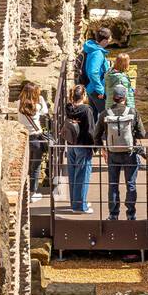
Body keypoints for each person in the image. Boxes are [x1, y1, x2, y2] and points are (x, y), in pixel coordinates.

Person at [93, 87, 147, 221]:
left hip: (112, 153)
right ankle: (131, 214)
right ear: (125, 98)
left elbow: (96, 135)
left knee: (113, 184)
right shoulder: (133, 112)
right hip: (130, 153)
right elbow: (142, 134)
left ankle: (113, 214)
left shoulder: (105, 114)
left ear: (113, 98)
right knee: (131, 184)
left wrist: (103, 149)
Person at [18, 81, 52, 201]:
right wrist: (41, 98)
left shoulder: (18, 104)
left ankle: (24, 192)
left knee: (25, 166)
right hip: (36, 139)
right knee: (36, 167)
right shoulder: (37, 106)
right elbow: (45, 112)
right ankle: (32, 193)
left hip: (23, 138)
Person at [64, 84, 96, 213]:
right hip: (83, 145)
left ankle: (76, 202)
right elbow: (90, 130)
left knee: (73, 174)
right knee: (83, 175)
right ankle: (80, 206)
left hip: (71, 145)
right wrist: (95, 146)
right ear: (83, 95)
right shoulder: (86, 110)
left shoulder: (69, 108)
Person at [81, 27, 111, 119]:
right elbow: (93, 72)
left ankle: (92, 133)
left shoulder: (93, 47)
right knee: (106, 116)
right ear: (105, 41)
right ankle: (105, 133)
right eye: (110, 38)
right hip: (96, 90)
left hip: (91, 87)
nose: (111, 40)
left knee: (93, 116)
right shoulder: (97, 53)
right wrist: (100, 90)